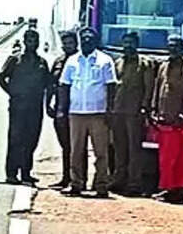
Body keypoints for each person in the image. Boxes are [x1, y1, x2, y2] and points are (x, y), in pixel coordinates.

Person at [57, 27, 118, 197]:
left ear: (95, 42)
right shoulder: (72, 61)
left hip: (98, 113)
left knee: (100, 152)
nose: (86, 41)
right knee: (76, 151)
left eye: (90, 39)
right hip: (76, 112)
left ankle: (101, 185)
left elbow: (111, 86)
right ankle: (76, 184)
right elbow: (64, 85)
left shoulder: (105, 61)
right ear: (80, 41)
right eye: (83, 39)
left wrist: (110, 110)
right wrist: (62, 109)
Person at [0, 29, 48, 185]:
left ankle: (26, 173)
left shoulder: (41, 62)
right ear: (24, 42)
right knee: (16, 139)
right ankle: (11, 173)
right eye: (29, 40)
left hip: (35, 107)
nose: (32, 43)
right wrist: (12, 93)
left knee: (32, 139)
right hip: (18, 107)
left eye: (35, 40)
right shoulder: (15, 60)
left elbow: (48, 83)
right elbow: (1, 77)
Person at [150, 34, 183, 203]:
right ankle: (167, 188)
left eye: (176, 46)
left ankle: (178, 190)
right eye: (170, 46)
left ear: (182, 48)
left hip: (179, 122)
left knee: (181, 157)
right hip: (164, 119)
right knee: (165, 158)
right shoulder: (163, 66)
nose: (173, 49)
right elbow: (157, 89)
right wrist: (154, 111)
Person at [110, 32, 154, 196]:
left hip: (134, 112)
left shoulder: (144, 63)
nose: (127, 46)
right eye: (125, 43)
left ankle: (134, 183)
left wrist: (145, 107)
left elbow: (149, 87)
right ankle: (118, 180)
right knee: (119, 148)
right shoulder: (118, 62)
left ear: (136, 44)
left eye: (131, 43)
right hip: (118, 111)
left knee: (134, 148)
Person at [45, 30, 78, 188]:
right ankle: (66, 177)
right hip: (60, 109)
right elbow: (51, 85)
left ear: (76, 44)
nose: (67, 46)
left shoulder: (81, 60)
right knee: (65, 145)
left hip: (77, 109)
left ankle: (78, 179)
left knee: (77, 146)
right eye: (65, 43)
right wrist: (48, 104)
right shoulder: (58, 61)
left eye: (70, 43)